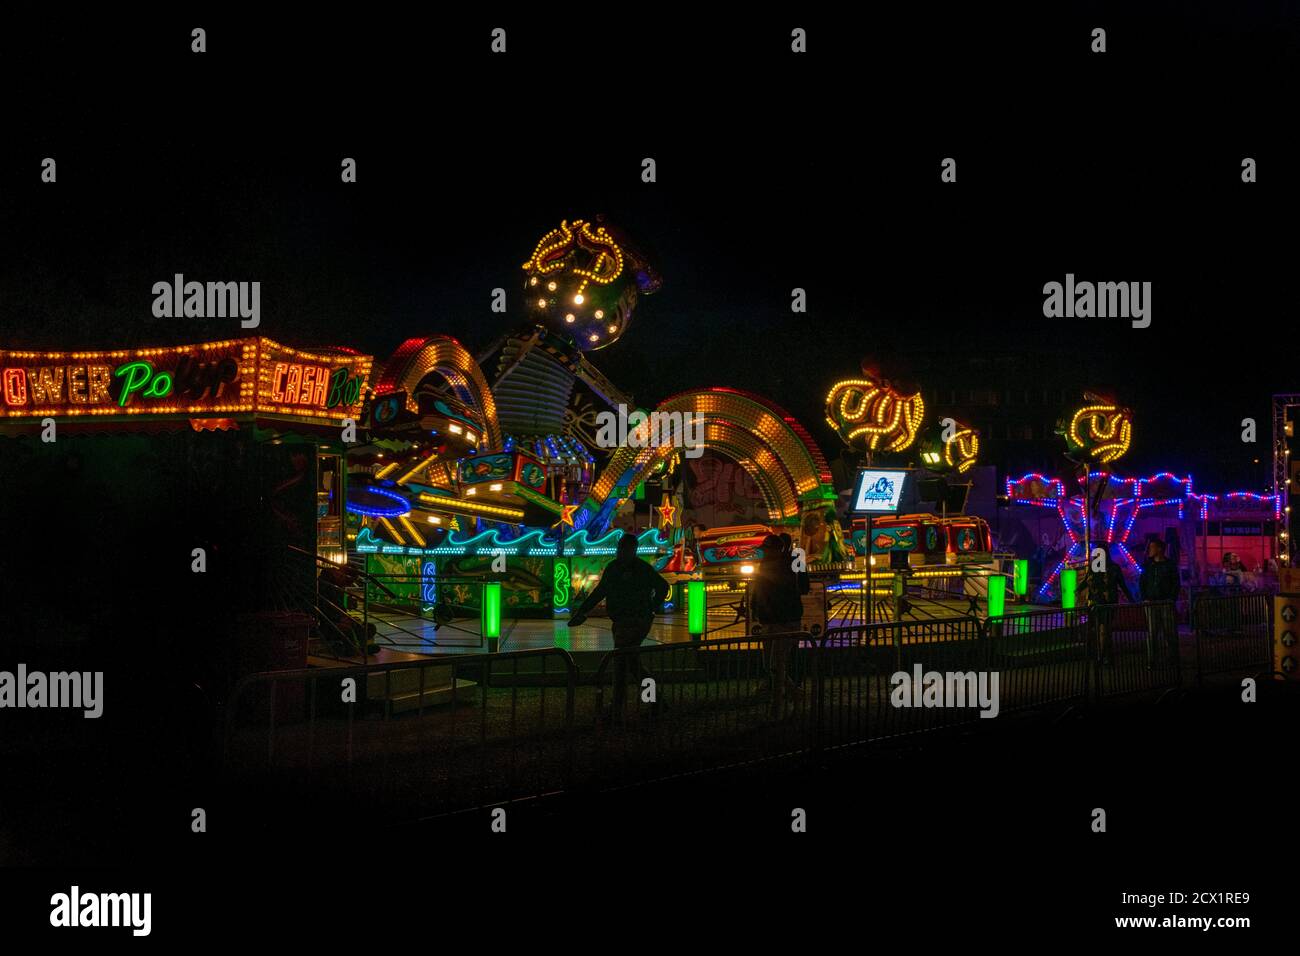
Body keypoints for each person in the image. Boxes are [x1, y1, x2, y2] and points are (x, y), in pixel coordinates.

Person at [568, 533, 671, 720]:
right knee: (630, 664)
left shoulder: (637, 569)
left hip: (634, 621)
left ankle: (621, 706)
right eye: (620, 548)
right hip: (624, 621)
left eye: (624, 549)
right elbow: (600, 592)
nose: (621, 552)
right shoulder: (619, 568)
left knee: (623, 662)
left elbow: (663, 587)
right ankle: (653, 702)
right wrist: (583, 611)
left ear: (632, 550)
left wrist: (651, 609)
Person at [750, 533, 804, 714]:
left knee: (777, 664)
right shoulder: (766, 566)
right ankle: (795, 693)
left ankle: (777, 704)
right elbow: (759, 590)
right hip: (770, 619)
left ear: (776, 550)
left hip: (784, 620)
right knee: (770, 664)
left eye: (767, 550)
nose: (764, 553)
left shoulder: (789, 566)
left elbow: (799, 587)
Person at [1083, 544, 1134, 664]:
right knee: (1101, 629)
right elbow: (1087, 580)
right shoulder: (1098, 567)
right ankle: (1103, 654)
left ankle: (1102, 654)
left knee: (1104, 629)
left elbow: (1121, 584)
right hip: (1098, 601)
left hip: (1105, 602)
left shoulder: (1111, 568)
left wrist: (1130, 598)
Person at [1139, 538, 1181, 667]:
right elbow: (1142, 582)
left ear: (1159, 549)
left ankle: (1172, 659)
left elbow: (1176, 583)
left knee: (1169, 632)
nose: (1150, 550)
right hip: (1152, 602)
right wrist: (1145, 597)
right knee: (1153, 633)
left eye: (1152, 547)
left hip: (1165, 602)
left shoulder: (1169, 565)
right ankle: (1152, 660)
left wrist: (1171, 598)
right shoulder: (1148, 565)